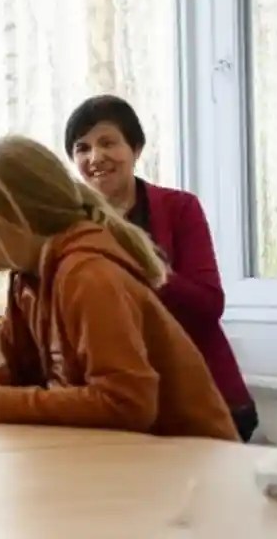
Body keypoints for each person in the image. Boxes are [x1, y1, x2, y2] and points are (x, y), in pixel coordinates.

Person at [0, 135, 237, 441]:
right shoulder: (28, 278)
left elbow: (128, 403)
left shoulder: (88, 275)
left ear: (10, 218)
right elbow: (28, 378)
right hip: (134, 459)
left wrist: (2, 402)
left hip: (194, 462)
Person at [64, 94, 255, 441]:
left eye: (108, 142)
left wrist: (141, 261)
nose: (95, 157)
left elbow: (208, 304)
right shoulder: (71, 225)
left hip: (206, 399)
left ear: (136, 149)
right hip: (127, 405)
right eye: (82, 148)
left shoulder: (180, 208)